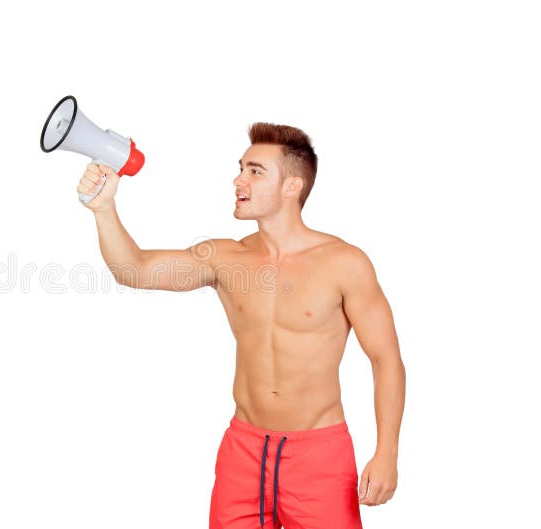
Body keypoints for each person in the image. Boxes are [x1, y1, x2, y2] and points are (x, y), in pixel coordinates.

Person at [76, 122, 405, 529]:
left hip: (319, 454)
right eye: (240, 168)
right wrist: (104, 209)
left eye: (255, 170)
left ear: (292, 187)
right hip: (244, 451)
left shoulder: (345, 263)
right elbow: (135, 270)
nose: (238, 179)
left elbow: (385, 358)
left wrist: (387, 451)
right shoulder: (225, 258)